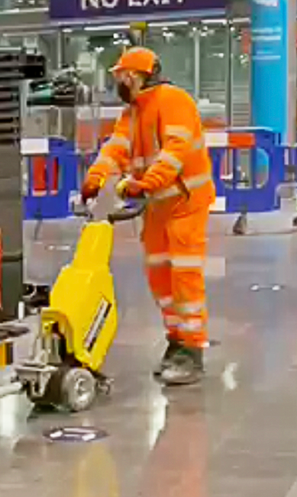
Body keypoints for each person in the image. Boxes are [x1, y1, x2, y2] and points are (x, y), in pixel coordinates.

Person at [81, 47, 215, 386]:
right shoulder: (133, 112)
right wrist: (96, 177)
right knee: (159, 278)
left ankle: (194, 350)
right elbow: (116, 148)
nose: (118, 82)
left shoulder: (173, 101)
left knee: (184, 277)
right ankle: (176, 340)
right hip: (156, 206)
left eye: (120, 76)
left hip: (185, 204)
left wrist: (145, 183)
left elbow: (176, 151)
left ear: (135, 75)